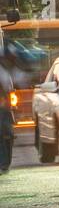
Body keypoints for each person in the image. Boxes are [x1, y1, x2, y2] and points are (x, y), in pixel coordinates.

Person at [0, 41, 14, 176]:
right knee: (4, 136)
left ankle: (4, 164)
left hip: (3, 109)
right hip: (3, 109)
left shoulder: (3, 71)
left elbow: (7, 90)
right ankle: (4, 164)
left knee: (5, 136)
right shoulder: (3, 71)